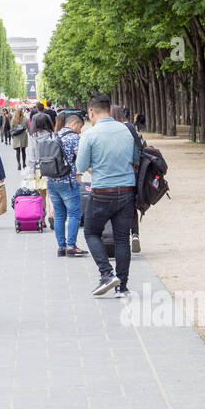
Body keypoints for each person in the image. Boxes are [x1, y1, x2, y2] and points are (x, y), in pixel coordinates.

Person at [77, 93, 140, 297]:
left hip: (103, 190)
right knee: (122, 238)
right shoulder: (126, 130)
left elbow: (81, 166)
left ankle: (106, 273)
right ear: (110, 111)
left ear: (91, 112)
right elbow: (136, 157)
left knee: (91, 232)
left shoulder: (90, 134)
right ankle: (123, 286)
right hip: (127, 190)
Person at [50, 112, 86, 257]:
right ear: (74, 124)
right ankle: (71, 245)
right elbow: (81, 160)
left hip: (52, 181)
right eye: (80, 127)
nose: (80, 130)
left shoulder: (53, 135)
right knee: (74, 214)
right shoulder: (74, 138)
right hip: (68, 182)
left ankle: (61, 247)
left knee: (59, 215)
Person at [110, 105, 144, 253]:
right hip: (132, 172)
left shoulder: (111, 131)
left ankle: (116, 237)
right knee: (131, 205)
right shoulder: (131, 129)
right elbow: (140, 149)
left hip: (113, 173)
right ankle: (135, 234)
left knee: (113, 205)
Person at [26, 110, 54, 221]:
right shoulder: (52, 135)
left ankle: (42, 219)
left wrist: (30, 172)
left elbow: (31, 156)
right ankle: (52, 215)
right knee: (52, 195)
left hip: (39, 170)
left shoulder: (33, 138)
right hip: (52, 169)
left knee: (41, 196)